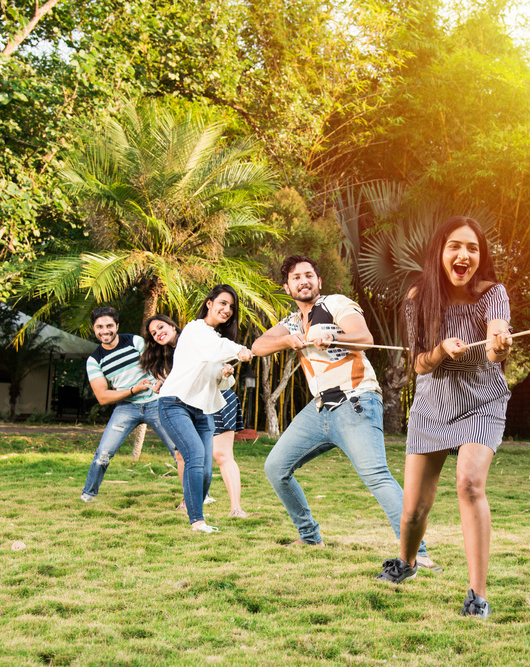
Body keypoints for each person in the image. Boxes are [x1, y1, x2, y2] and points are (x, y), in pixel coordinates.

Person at [252, 255, 435, 567]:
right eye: (296, 278)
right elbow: (258, 346)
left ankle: (418, 554)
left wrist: (332, 335)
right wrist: (287, 340)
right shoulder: (292, 322)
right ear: (288, 287)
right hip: (319, 408)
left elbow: (364, 339)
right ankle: (310, 537)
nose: (303, 281)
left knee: (376, 476)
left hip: (355, 401)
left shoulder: (336, 303)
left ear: (318, 281)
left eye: (309, 275)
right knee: (275, 468)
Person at [375, 216, 512, 619]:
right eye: (455, 246)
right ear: (440, 251)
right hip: (433, 404)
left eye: (472, 248)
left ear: (480, 256)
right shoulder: (419, 296)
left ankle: (478, 595)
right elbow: (418, 363)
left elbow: (495, 344)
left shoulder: (493, 293)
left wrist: (499, 347)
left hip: (482, 400)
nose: (464, 255)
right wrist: (440, 351)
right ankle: (406, 563)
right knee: (414, 510)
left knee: (469, 484)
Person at [141, 286, 253, 533]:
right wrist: (238, 350)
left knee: (206, 467)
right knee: (193, 455)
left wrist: (224, 373)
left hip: (203, 410)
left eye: (231, 307)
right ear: (210, 303)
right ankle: (197, 521)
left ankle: (195, 507)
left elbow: (222, 382)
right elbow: (216, 348)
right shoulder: (195, 329)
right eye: (222, 303)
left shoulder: (214, 340)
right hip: (175, 404)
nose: (227, 310)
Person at [81, 307, 186, 503]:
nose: (105, 331)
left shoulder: (134, 341)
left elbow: (156, 366)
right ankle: (88, 494)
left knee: (179, 450)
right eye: (100, 327)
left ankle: (199, 495)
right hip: (126, 407)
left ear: (117, 326)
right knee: (103, 453)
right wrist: (132, 391)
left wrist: (160, 382)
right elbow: (102, 397)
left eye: (109, 326)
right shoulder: (94, 360)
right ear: (94, 329)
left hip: (155, 403)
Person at [212, 387, 248, 518]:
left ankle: (236, 508)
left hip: (217, 396)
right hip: (185, 396)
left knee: (222, 455)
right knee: (183, 454)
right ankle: (189, 502)